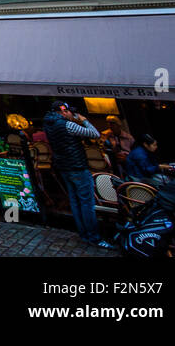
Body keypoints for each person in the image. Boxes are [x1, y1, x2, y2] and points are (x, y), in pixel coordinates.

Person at [43, 100, 111, 248]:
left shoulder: (49, 125)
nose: (71, 114)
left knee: (75, 201)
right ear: (62, 111)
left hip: (64, 167)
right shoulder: (67, 125)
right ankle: (94, 236)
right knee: (86, 202)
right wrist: (85, 121)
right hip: (77, 166)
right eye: (68, 111)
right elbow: (94, 134)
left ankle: (84, 233)